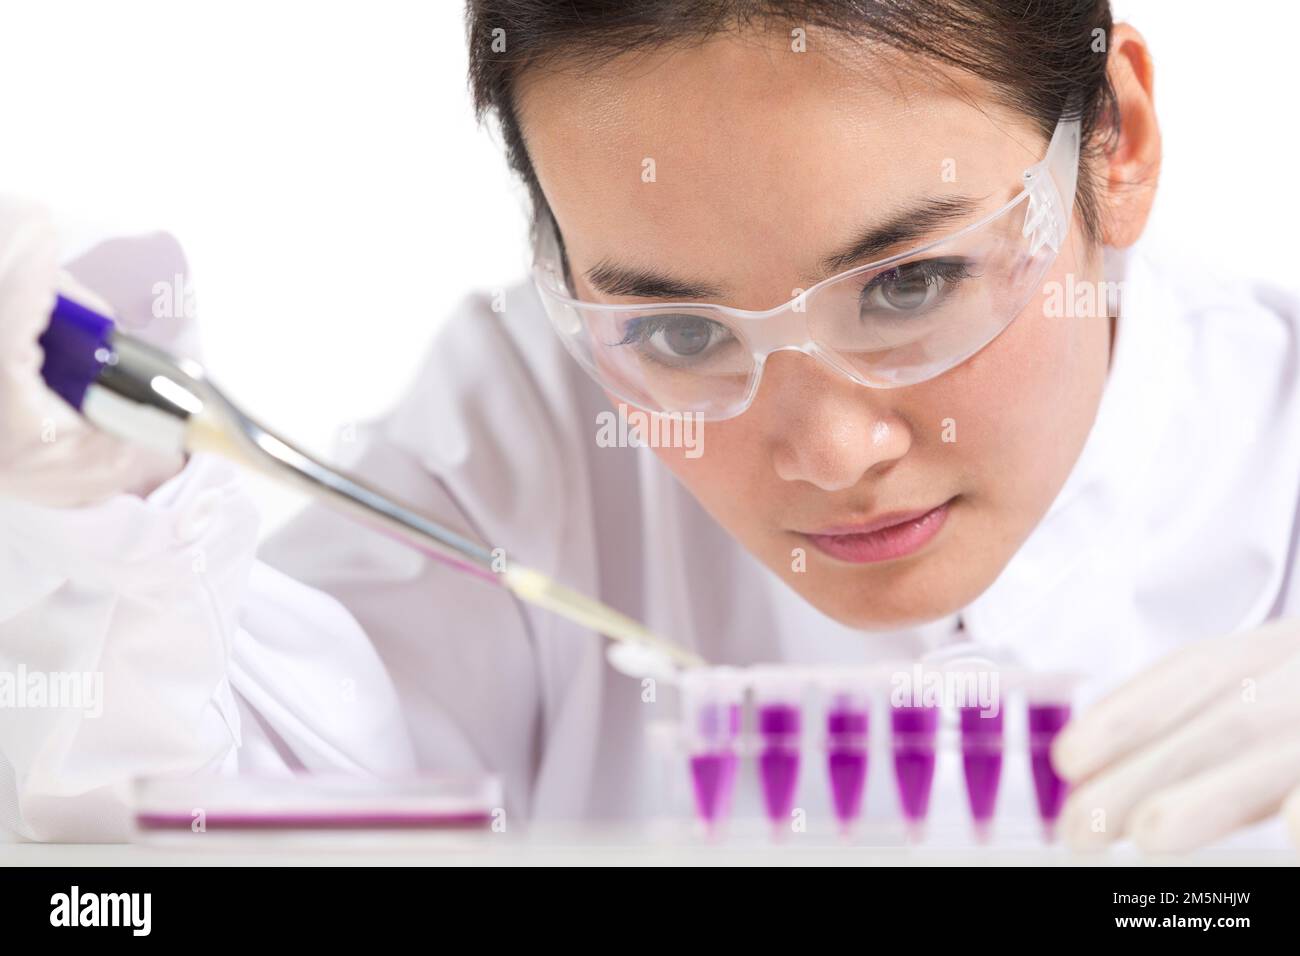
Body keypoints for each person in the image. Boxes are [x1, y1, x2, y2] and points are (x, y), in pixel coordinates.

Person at [2, 0, 1299, 851]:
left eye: (910, 284)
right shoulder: (529, 435)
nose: (834, 453)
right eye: (681, 335)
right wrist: (104, 533)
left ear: (1116, 141)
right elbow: (210, 817)